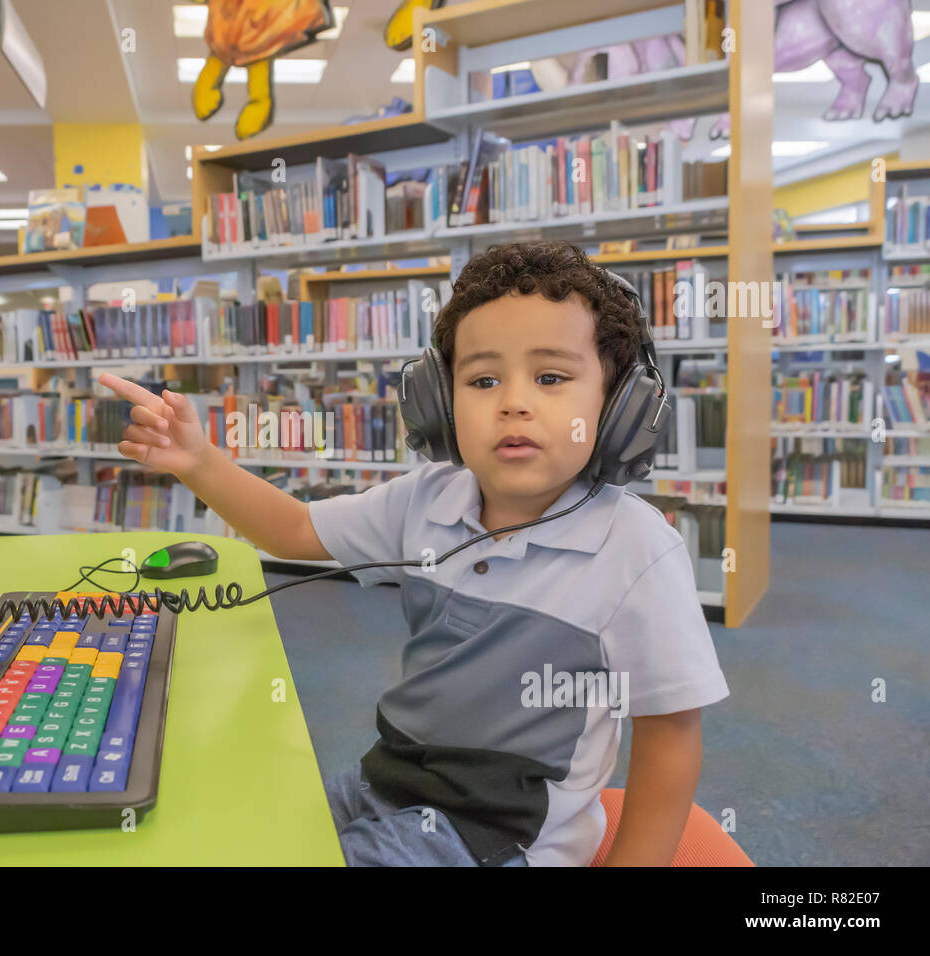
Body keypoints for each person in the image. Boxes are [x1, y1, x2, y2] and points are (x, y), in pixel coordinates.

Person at [98, 239, 730, 866]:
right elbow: (293, 530)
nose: (513, 400)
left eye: (551, 377)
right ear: (440, 404)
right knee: (255, 837)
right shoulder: (429, 498)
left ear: (620, 404)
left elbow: (670, 734)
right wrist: (199, 462)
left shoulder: (635, 550)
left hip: (501, 831)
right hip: (390, 780)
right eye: (483, 379)